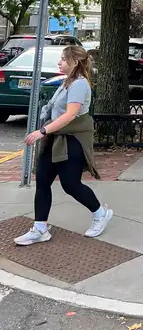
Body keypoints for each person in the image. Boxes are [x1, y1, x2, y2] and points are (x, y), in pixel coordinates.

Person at [14, 45, 112, 246]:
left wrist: (42, 131)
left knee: (70, 184)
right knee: (43, 182)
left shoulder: (79, 85)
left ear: (74, 62)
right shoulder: (67, 82)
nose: (59, 62)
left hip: (71, 139)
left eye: (63, 59)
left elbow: (70, 115)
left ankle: (101, 214)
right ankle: (40, 229)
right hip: (55, 137)